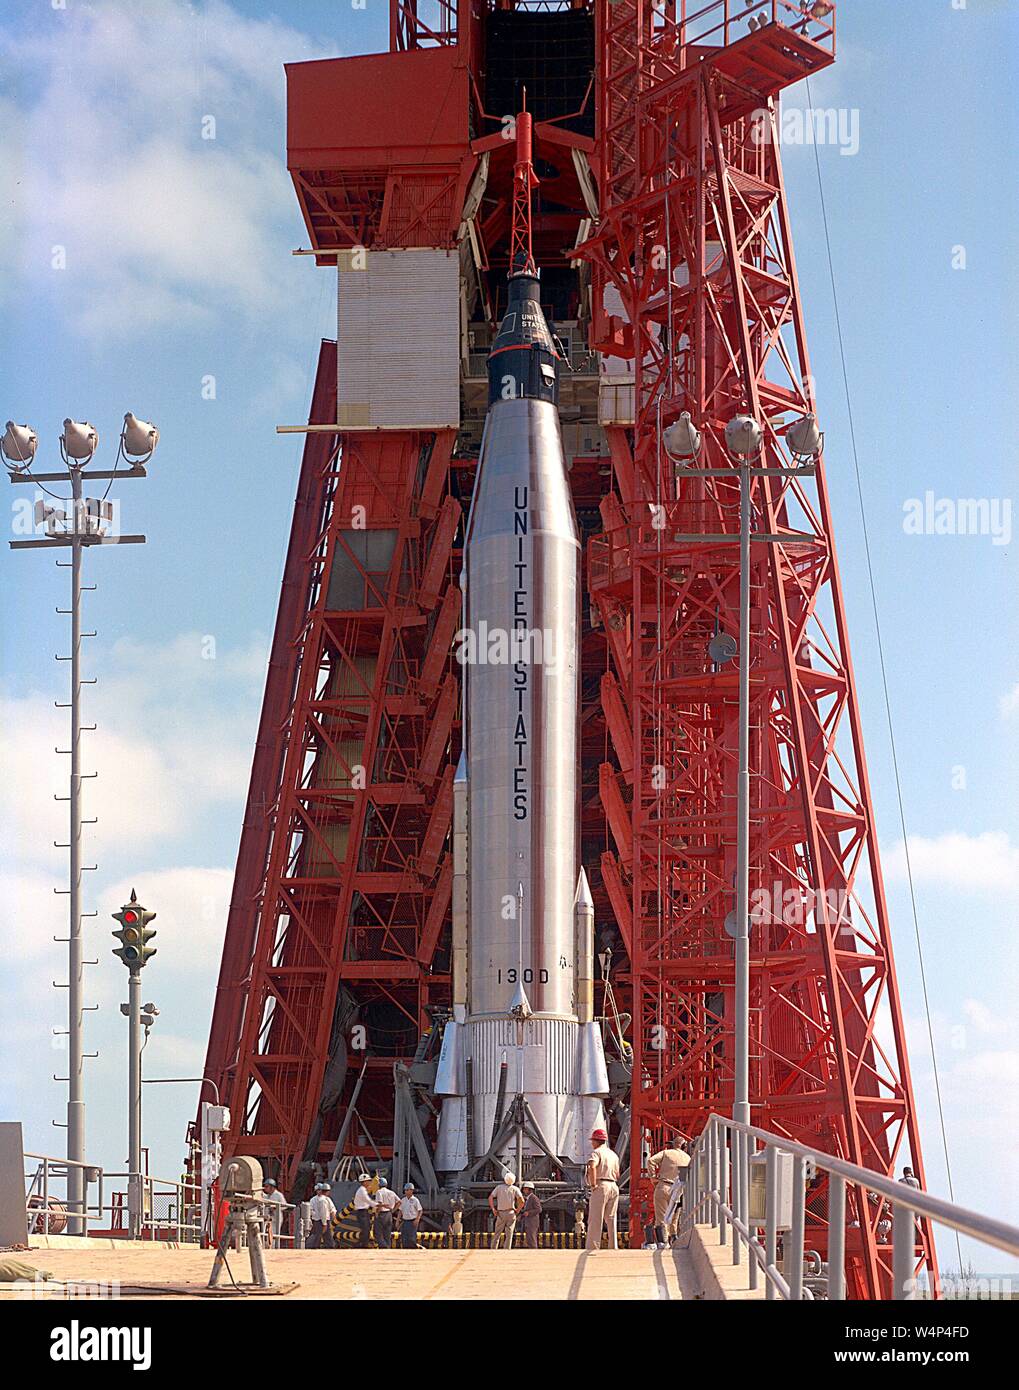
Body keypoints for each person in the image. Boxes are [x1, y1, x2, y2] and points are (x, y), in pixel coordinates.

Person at [648, 1141, 690, 1247]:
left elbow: (651, 1161)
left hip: (664, 1186)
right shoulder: (688, 1158)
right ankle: (674, 1241)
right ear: (684, 1147)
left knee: (661, 1218)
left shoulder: (666, 1153)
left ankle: (663, 1243)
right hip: (678, 1190)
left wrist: (653, 1177)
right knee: (674, 1219)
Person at [585, 1127, 621, 1252]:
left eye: (592, 1141)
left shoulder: (596, 1153)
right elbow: (617, 1174)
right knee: (611, 1218)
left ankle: (593, 1247)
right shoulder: (613, 1155)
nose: (591, 1143)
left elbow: (592, 1166)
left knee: (595, 1218)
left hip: (601, 1185)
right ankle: (613, 1246)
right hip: (613, 1186)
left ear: (596, 1141)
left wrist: (593, 1184)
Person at [489, 1171, 524, 1251]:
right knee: (509, 1234)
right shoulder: (515, 1189)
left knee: (497, 1233)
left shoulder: (499, 1187)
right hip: (511, 1213)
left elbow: (490, 1197)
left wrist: (493, 1209)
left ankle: (493, 1249)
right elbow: (522, 1201)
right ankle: (506, 1250)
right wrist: (517, 1210)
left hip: (500, 1213)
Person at [261, 1177, 291, 1249]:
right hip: (268, 1218)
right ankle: (267, 1247)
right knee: (265, 1234)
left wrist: (275, 1207)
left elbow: (285, 1206)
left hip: (276, 1219)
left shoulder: (278, 1195)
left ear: (272, 1187)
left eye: (267, 1186)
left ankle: (274, 1248)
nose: (265, 1188)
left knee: (273, 1234)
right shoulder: (267, 1196)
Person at [308, 1181, 337, 1249]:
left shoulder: (325, 1199)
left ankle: (317, 1247)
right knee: (323, 1236)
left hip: (320, 1220)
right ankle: (328, 1248)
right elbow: (324, 1213)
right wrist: (324, 1224)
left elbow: (332, 1209)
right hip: (321, 1221)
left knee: (320, 1236)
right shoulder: (322, 1200)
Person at [352, 1172, 377, 1249]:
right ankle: (363, 1245)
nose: (370, 1182)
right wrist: (377, 1205)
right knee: (366, 1229)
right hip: (362, 1212)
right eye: (369, 1181)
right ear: (365, 1182)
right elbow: (368, 1200)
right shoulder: (362, 1190)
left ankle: (361, 1245)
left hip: (362, 1212)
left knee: (365, 1229)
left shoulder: (362, 1190)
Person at [374, 1177, 399, 1249]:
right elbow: (399, 1202)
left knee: (377, 1233)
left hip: (382, 1214)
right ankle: (388, 1247)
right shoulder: (391, 1192)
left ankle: (384, 1246)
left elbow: (380, 1204)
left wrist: (377, 1213)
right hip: (389, 1214)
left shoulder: (379, 1192)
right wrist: (393, 1210)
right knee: (387, 1233)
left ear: (379, 1185)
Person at [399, 1184, 423, 1248]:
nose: (406, 1192)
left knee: (411, 1238)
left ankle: (413, 1251)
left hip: (412, 1221)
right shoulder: (403, 1200)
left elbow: (420, 1210)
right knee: (404, 1237)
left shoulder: (415, 1200)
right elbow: (400, 1211)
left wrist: (417, 1219)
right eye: (405, 1190)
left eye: (407, 1190)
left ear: (411, 1191)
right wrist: (397, 1220)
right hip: (405, 1221)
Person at [520, 1181, 542, 1249]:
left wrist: (528, 1213)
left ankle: (534, 1253)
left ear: (530, 1190)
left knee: (532, 1239)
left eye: (525, 1189)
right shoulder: (528, 1198)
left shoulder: (534, 1198)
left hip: (532, 1222)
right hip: (528, 1221)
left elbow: (539, 1209)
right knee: (529, 1239)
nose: (524, 1190)